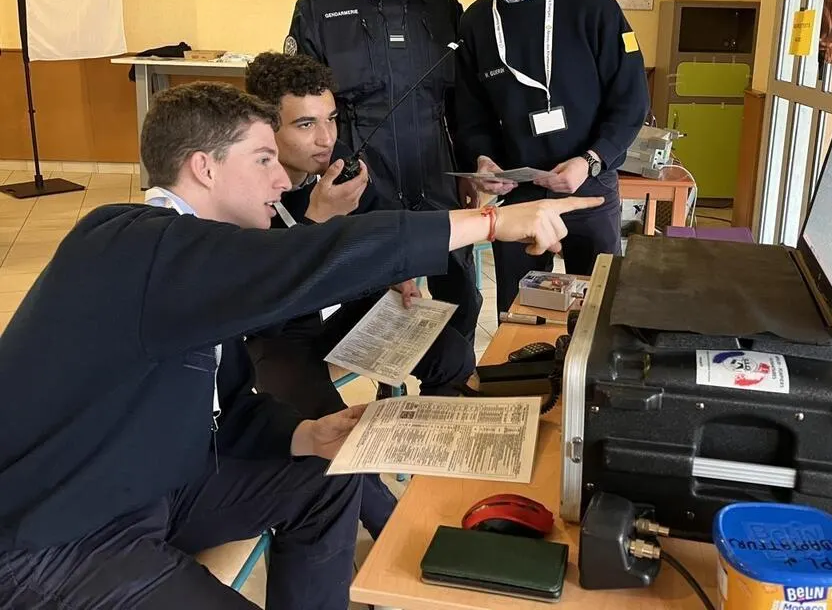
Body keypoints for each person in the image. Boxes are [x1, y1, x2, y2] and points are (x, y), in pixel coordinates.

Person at [0, 81, 601, 609]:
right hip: (54, 534)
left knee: (328, 475)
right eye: (264, 159)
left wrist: (303, 435)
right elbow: (302, 261)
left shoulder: (203, 266)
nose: (283, 178)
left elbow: (227, 411)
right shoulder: (125, 240)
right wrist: (491, 224)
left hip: (154, 487)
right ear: (204, 168)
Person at [243, 51, 477, 538]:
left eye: (330, 119)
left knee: (452, 354)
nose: (326, 138)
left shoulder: (340, 165)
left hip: (344, 316)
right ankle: (396, 538)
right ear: (266, 129)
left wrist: (399, 268)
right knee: (339, 432)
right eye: (305, 124)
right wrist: (318, 220)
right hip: (275, 337)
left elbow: (387, 223)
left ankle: (436, 486)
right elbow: (260, 305)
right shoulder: (241, 187)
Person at [285, 0, 482, 346]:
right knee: (376, 323)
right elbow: (301, 110)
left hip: (437, 185)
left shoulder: (438, 0)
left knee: (461, 309)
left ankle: (448, 395)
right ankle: (380, 410)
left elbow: (464, 100)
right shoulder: (319, 5)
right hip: (364, 192)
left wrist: (473, 166)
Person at [453, 0, 650, 318]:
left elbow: (631, 100)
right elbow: (469, 114)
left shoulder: (591, 6)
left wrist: (591, 160)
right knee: (518, 316)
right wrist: (483, 160)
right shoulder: (476, 23)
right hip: (519, 196)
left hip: (589, 187)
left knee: (597, 312)